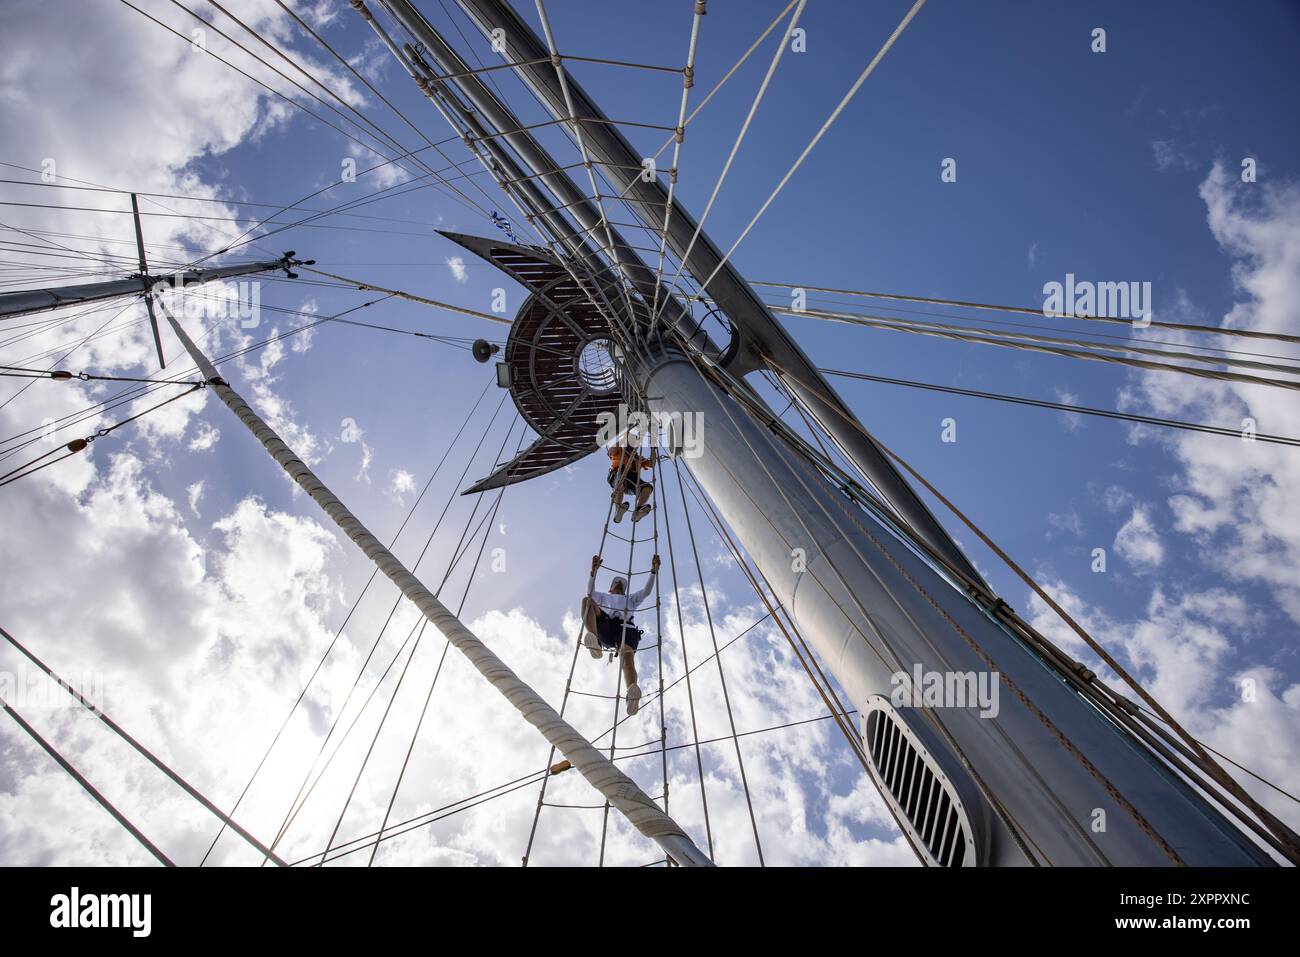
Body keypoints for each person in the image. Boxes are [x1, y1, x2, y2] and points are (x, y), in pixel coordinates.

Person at [581, 552, 660, 715]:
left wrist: (653, 571)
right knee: (587, 601)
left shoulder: (631, 600)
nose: (619, 583)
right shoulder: (603, 597)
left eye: (621, 583)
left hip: (626, 628)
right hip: (607, 626)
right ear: (610, 588)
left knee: (627, 658)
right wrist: (593, 572)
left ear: (624, 589)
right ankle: (593, 640)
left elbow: (646, 591)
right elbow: (590, 592)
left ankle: (632, 692)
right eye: (616, 582)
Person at [607, 438, 658, 523]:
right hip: (618, 472)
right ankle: (618, 509)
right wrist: (622, 439)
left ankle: (638, 511)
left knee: (647, 488)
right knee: (621, 482)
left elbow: (652, 463)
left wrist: (653, 449)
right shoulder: (620, 449)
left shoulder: (638, 457)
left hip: (633, 478)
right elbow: (611, 452)